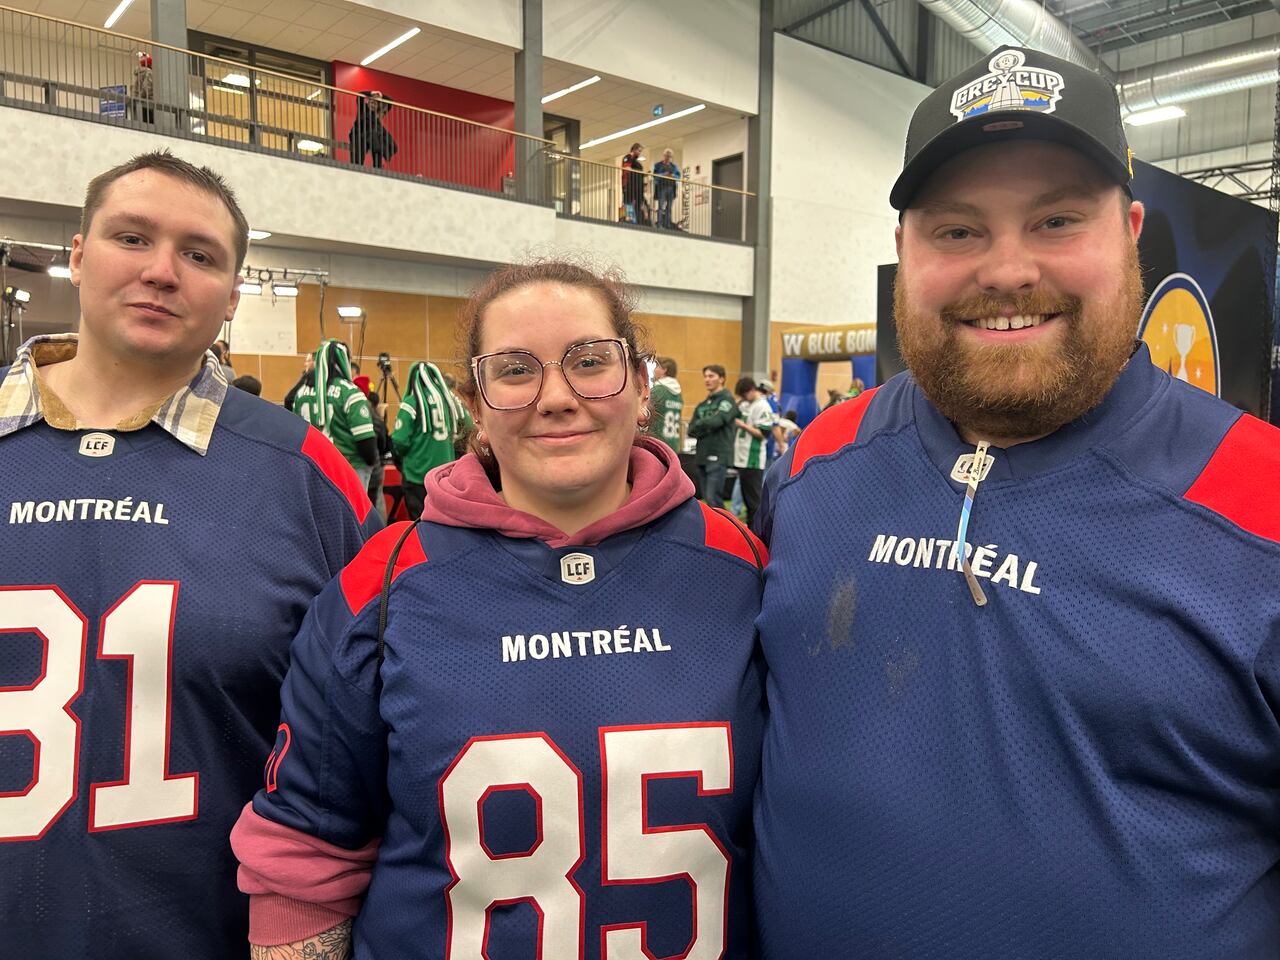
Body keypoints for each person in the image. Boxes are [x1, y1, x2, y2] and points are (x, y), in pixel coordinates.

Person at [753, 45, 1280, 959]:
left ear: (1131, 234)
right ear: (904, 252)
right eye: (957, 231)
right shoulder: (815, 467)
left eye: (1057, 220)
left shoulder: (1259, 500)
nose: (1006, 270)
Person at [232, 260, 766, 958]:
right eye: (515, 370)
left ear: (639, 386)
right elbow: (303, 855)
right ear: (475, 405)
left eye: (589, 361)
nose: (556, 397)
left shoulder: (739, 565)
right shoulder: (386, 583)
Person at [0, 150, 379, 959]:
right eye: (131, 238)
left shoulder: (306, 474)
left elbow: (361, 739)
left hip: (206, 929)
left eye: (200, 254)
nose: (162, 272)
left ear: (233, 294)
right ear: (76, 253)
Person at [290, 339, 379, 488]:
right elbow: (365, 439)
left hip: (314, 466)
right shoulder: (350, 392)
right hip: (348, 466)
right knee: (352, 511)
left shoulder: (301, 393)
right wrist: (371, 461)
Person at [390, 360, 466, 519]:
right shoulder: (448, 401)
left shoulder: (412, 401)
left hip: (417, 474)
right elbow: (469, 425)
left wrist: (402, 459)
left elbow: (399, 440)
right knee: (443, 520)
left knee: (420, 520)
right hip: (445, 474)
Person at [686, 363, 737, 505]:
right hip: (701, 455)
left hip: (718, 455)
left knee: (713, 500)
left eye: (711, 376)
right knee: (705, 500)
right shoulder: (702, 405)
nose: (707, 380)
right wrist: (707, 423)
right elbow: (691, 430)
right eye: (705, 377)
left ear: (721, 379)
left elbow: (718, 420)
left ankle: (726, 527)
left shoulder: (727, 400)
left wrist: (701, 424)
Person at [731, 376, 772, 527]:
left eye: (744, 394)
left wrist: (742, 425)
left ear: (751, 390)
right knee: (747, 500)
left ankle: (757, 532)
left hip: (753, 459)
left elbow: (764, 434)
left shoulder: (763, 406)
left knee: (753, 502)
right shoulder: (745, 403)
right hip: (741, 458)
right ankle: (750, 529)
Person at [349, 90, 397, 170]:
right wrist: (372, 93)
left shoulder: (378, 113)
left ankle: (378, 166)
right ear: (368, 102)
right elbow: (360, 95)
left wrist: (380, 96)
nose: (373, 105)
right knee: (374, 138)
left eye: (375, 103)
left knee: (380, 140)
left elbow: (390, 101)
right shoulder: (363, 108)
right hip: (360, 134)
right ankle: (375, 167)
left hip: (372, 137)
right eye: (371, 102)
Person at [646, 354, 683, 452]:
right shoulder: (678, 394)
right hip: (673, 445)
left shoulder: (658, 391)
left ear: (664, 370)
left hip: (658, 445)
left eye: (656, 367)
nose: (653, 371)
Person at [652, 148, 681, 229]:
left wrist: (673, 176)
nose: (668, 158)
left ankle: (668, 224)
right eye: (667, 156)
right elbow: (655, 176)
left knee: (669, 207)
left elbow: (678, 176)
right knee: (661, 207)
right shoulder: (658, 165)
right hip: (662, 188)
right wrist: (664, 174)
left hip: (671, 188)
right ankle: (659, 224)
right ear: (664, 156)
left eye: (670, 156)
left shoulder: (674, 166)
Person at [621, 142, 648, 224]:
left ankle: (637, 221)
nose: (639, 153)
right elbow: (627, 168)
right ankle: (630, 220)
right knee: (628, 202)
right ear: (634, 149)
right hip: (630, 184)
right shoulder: (628, 157)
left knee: (638, 204)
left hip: (637, 187)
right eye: (639, 151)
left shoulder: (637, 162)